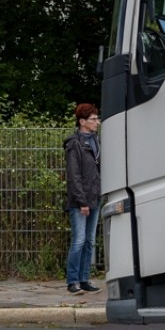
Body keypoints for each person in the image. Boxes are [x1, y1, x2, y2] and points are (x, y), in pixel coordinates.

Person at [63, 103, 102, 296]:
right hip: (81, 200)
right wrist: (82, 202)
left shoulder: (96, 140)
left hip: (95, 197)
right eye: (93, 119)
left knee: (89, 241)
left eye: (97, 118)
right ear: (82, 122)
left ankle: (84, 279)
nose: (97, 122)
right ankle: (72, 281)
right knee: (78, 241)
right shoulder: (74, 144)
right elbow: (74, 175)